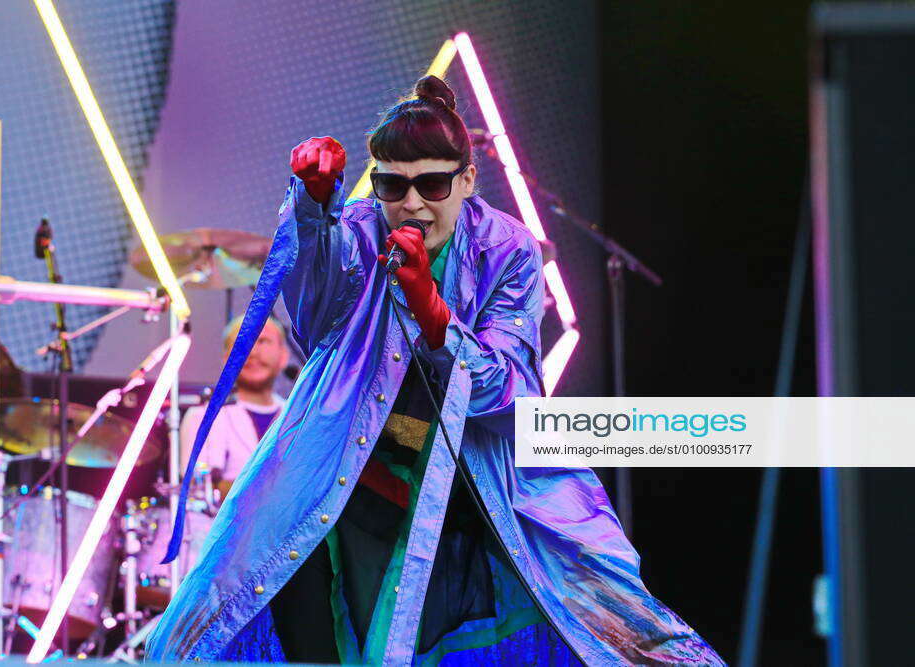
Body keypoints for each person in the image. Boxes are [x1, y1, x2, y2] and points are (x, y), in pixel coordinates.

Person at [147, 76, 722, 665]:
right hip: (356, 471)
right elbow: (316, 321)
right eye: (393, 183)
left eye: (433, 183)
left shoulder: (510, 249)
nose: (412, 202)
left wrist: (435, 315)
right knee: (204, 624)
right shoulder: (362, 226)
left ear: (468, 180)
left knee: (622, 630)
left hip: (489, 483)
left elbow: (512, 398)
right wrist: (313, 211)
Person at [179, 315, 289, 500]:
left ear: (283, 356)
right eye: (244, 341)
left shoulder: (300, 417)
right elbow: (198, 490)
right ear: (226, 360)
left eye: (263, 341)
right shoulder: (203, 416)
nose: (253, 351)